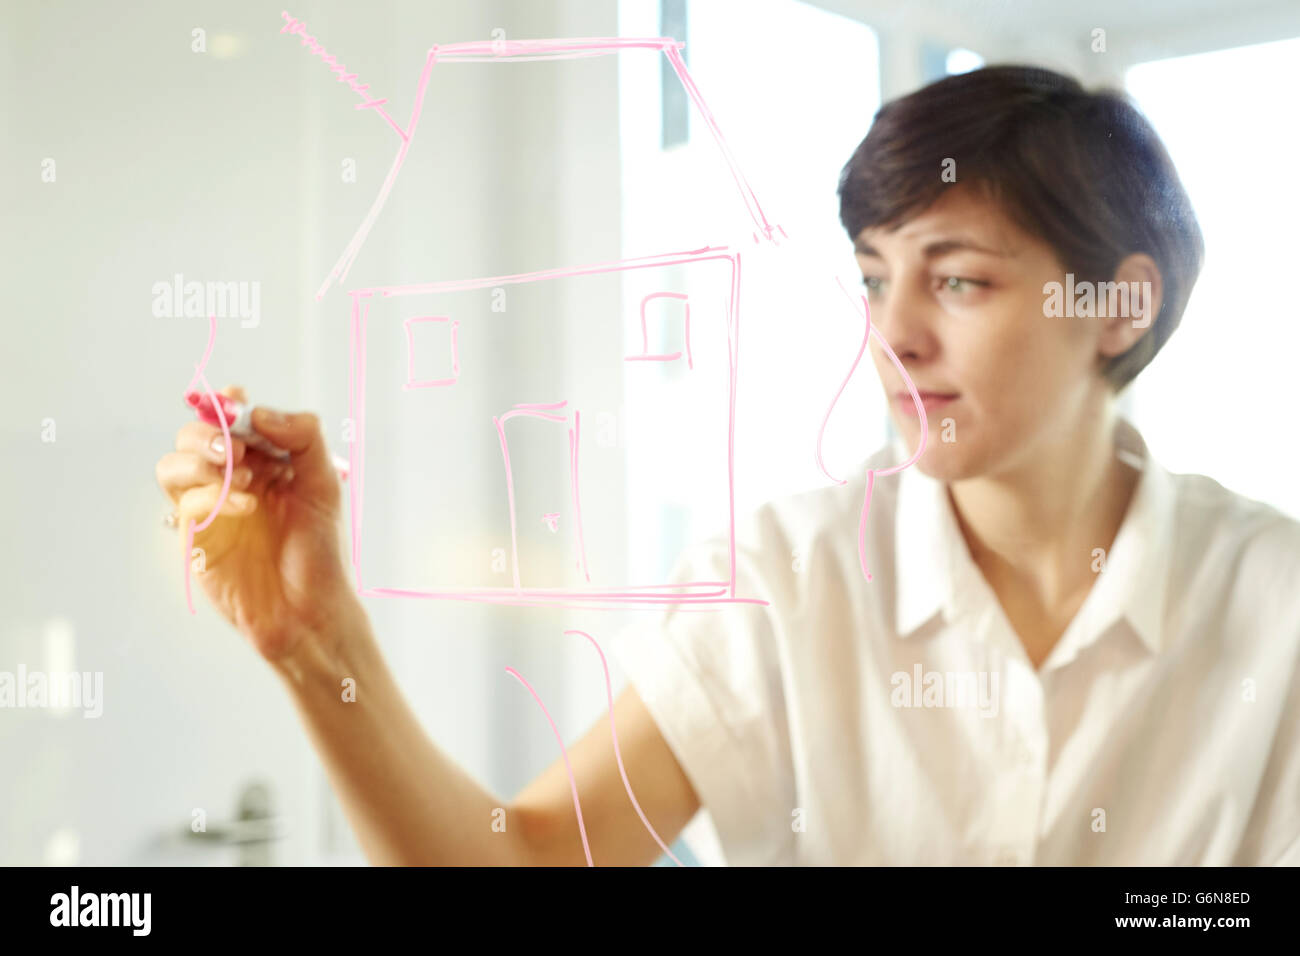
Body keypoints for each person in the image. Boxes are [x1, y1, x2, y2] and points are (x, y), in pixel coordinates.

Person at [154, 65, 1300, 866]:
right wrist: (317, 643)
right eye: (871, 275)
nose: (889, 333)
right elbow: (532, 862)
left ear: (1116, 306)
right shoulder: (783, 578)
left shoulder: (1274, 602)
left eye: (957, 278)